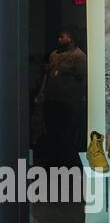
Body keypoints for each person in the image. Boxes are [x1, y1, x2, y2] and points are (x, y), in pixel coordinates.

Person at [36, 26, 87, 166]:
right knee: (52, 131)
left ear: (70, 38)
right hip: (53, 100)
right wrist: (41, 92)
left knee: (68, 133)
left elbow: (84, 80)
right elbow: (47, 75)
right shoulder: (54, 54)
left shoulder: (79, 56)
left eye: (62, 36)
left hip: (69, 102)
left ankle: (68, 162)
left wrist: (78, 98)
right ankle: (54, 160)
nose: (59, 39)